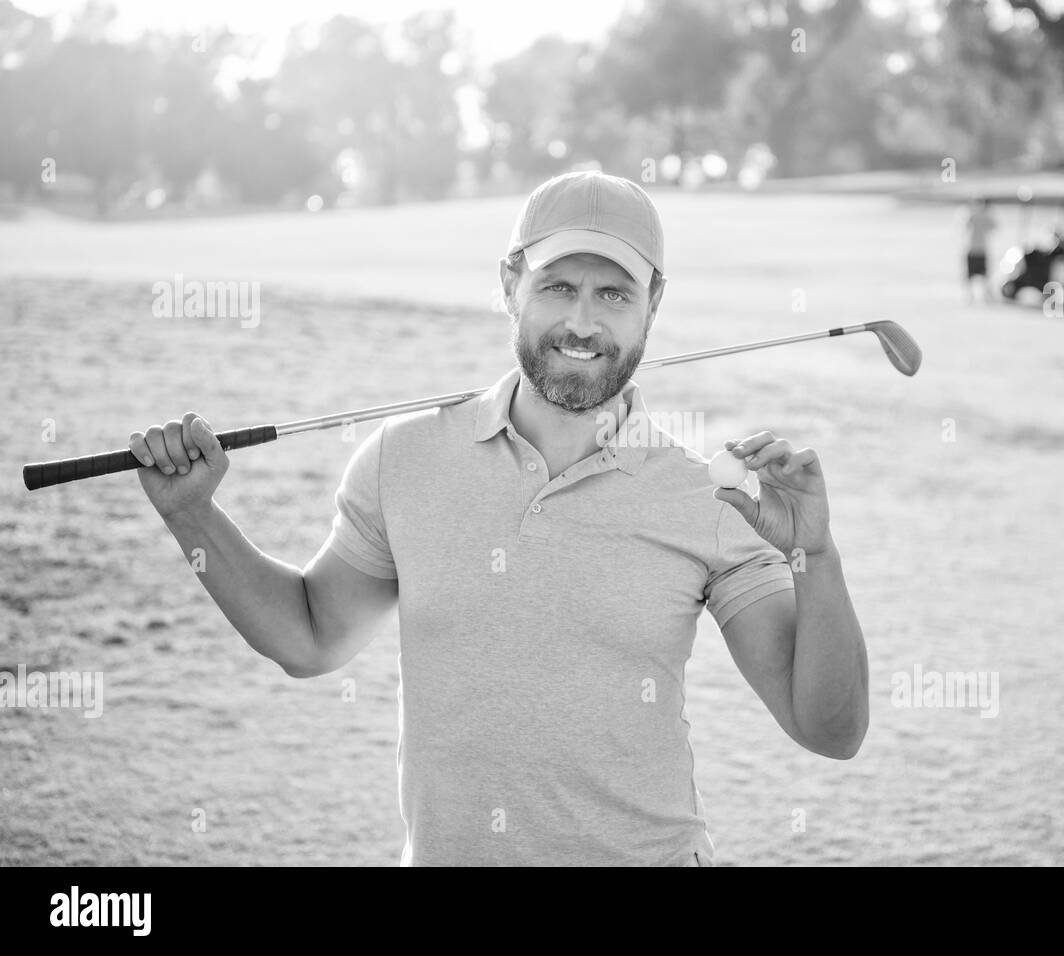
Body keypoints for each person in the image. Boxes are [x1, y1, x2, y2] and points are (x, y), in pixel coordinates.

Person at [126, 170, 870, 866]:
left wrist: (819, 558)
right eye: (559, 287)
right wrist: (195, 516)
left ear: (654, 303)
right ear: (511, 283)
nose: (582, 323)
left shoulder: (708, 498)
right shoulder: (403, 459)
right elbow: (312, 638)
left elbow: (830, 730)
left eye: (614, 295)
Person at [962, 196, 998, 304]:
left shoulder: (975, 216)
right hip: (974, 249)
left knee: (983, 275)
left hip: (979, 249)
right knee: (972, 275)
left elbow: (993, 227)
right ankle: (971, 295)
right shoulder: (973, 216)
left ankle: (985, 295)